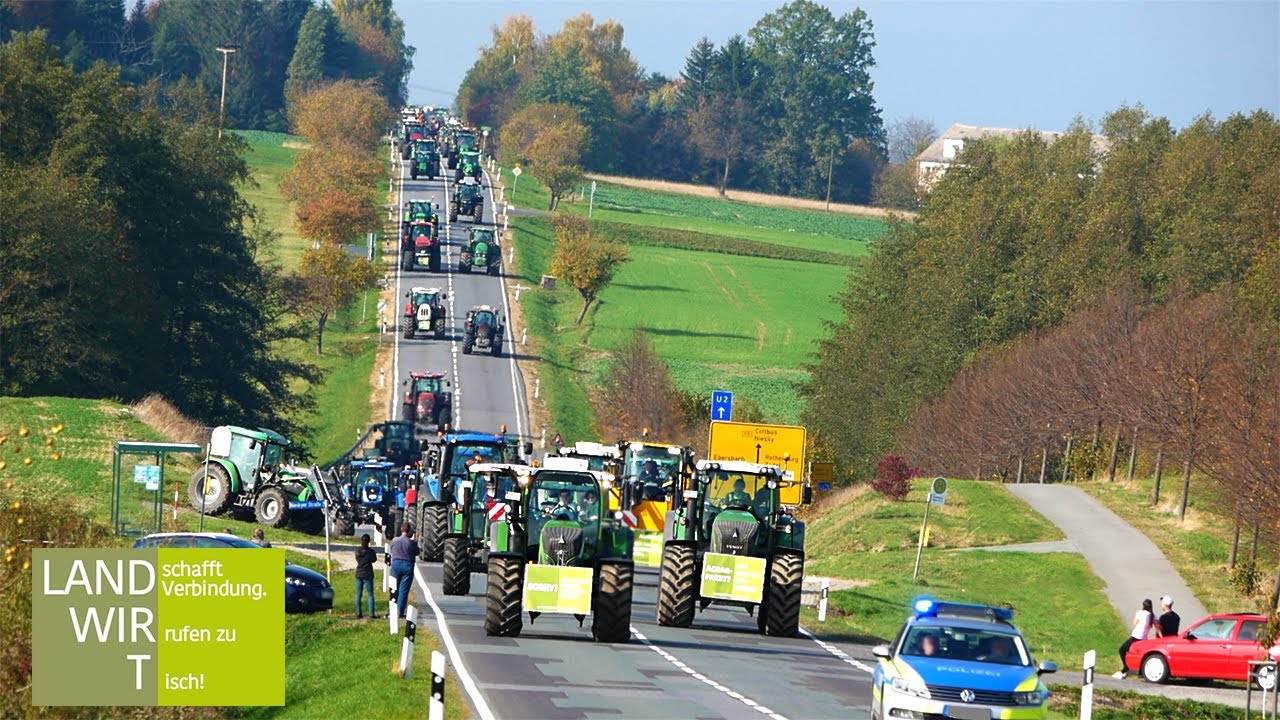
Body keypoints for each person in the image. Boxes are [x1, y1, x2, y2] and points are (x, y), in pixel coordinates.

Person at [1115, 598, 1154, 678]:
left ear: (1143, 606)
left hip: (1136, 637)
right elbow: (1155, 625)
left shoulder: (1140, 613)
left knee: (1122, 650)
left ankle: (1126, 667)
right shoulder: (1152, 616)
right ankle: (1130, 668)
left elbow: (1134, 623)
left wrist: (1136, 614)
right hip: (1144, 639)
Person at [389, 523, 418, 617]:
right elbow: (417, 552)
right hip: (407, 565)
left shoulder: (394, 540)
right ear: (409, 531)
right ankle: (400, 611)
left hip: (396, 564)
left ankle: (392, 608)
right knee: (403, 590)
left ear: (401, 530)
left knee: (394, 588)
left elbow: (391, 549)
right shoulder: (410, 543)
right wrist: (414, 541)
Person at [354, 534, 378, 619]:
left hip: (359, 573)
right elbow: (374, 560)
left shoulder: (357, 551)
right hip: (368, 574)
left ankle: (359, 612)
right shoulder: (371, 552)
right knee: (370, 594)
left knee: (358, 594)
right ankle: (371, 613)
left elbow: (357, 559)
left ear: (361, 541)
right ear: (369, 542)